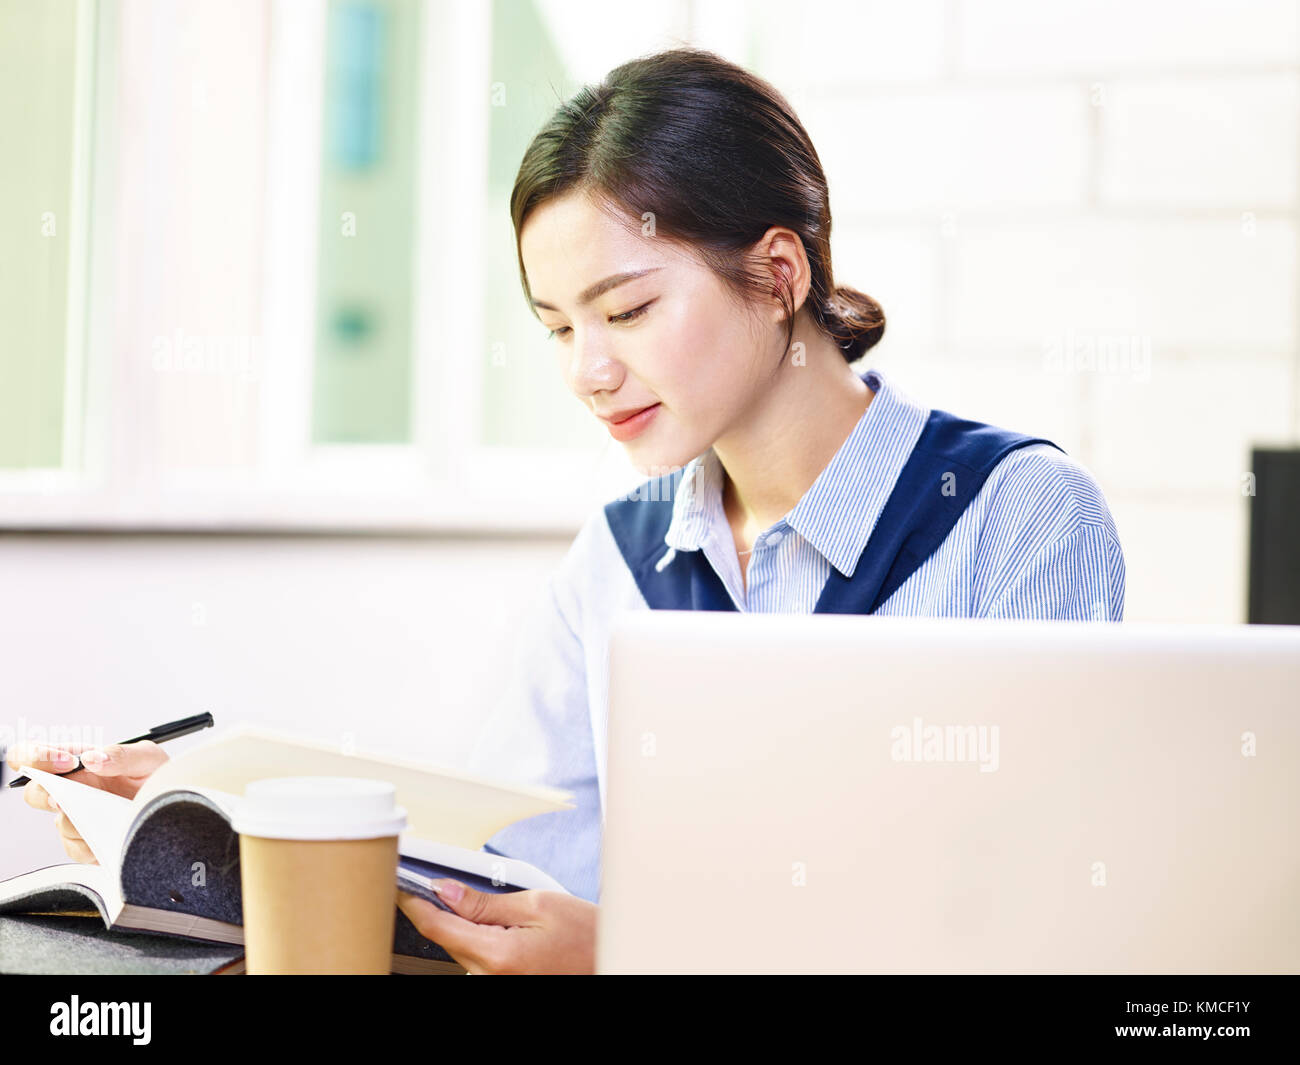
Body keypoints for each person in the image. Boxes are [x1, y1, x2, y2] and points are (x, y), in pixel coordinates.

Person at [11, 46, 1125, 975]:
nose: (588, 371)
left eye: (627, 309)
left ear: (779, 275)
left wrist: (635, 956)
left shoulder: (1013, 517)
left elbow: (1029, 935)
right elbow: (495, 865)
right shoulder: (624, 557)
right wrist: (207, 802)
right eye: (555, 327)